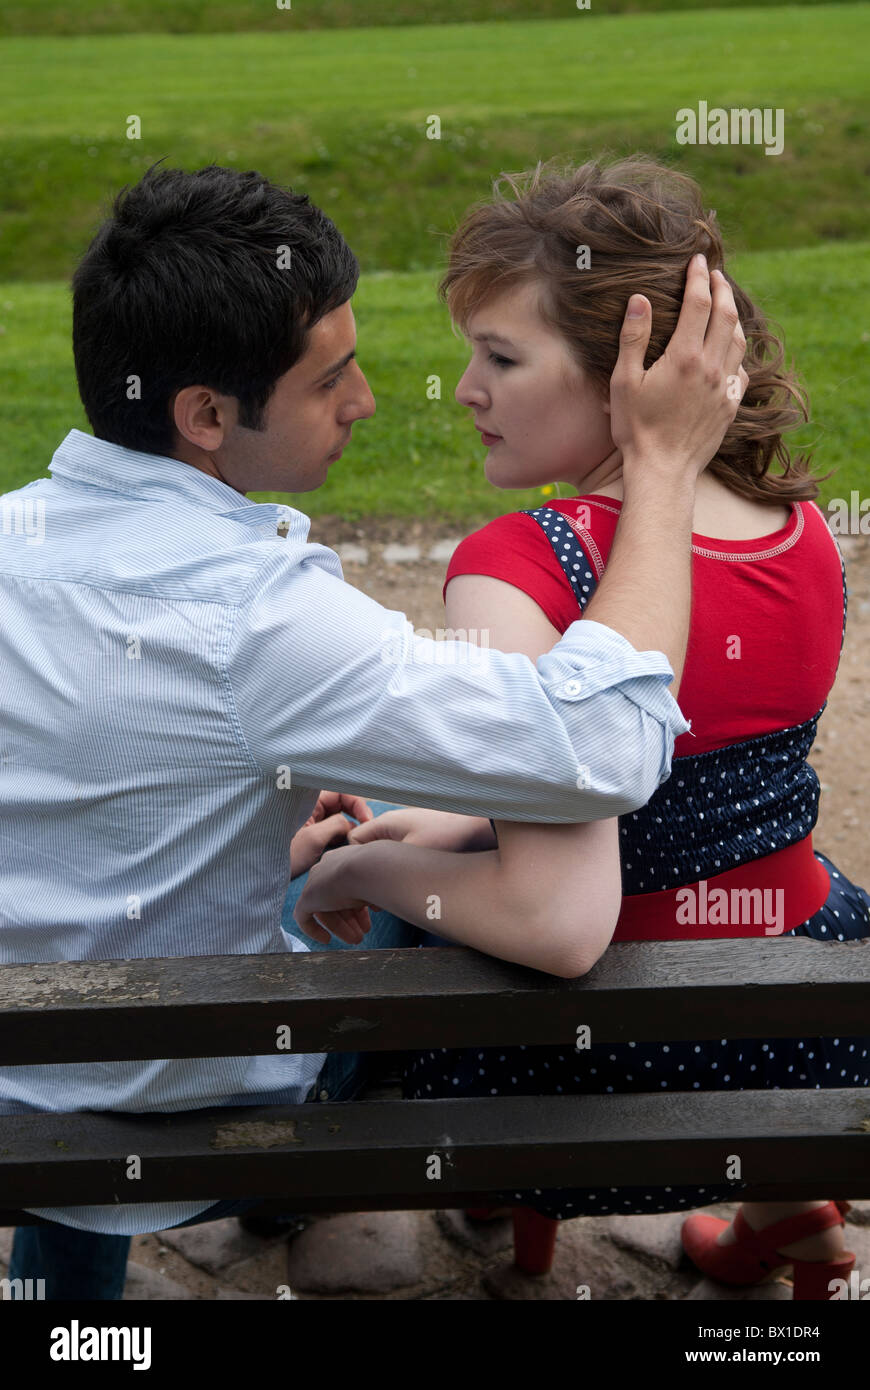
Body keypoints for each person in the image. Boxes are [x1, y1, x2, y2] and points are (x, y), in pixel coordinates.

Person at [0, 161, 743, 1300]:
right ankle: (346, 1190)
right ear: (204, 415)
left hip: (18, 1078)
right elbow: (602, 752)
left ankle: (65, 1306)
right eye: (329, 381)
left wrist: (260, 827)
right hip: (184, 1102)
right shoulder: (259, 620)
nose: (368, 403)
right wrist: (663, 464)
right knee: (431, 894)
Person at [293, 155, 868, 1299]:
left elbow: (560, 918)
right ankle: (778, 1204)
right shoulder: (803, 531)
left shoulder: (520, 567)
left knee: (381, 964)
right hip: (813, 1023)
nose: (463, 388)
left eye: (500, 357)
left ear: (631, 381)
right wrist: (433, 817)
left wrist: (364, 863)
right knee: (776, 854)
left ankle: (503, 1203)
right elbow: (662, 790)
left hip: (585, 1071)